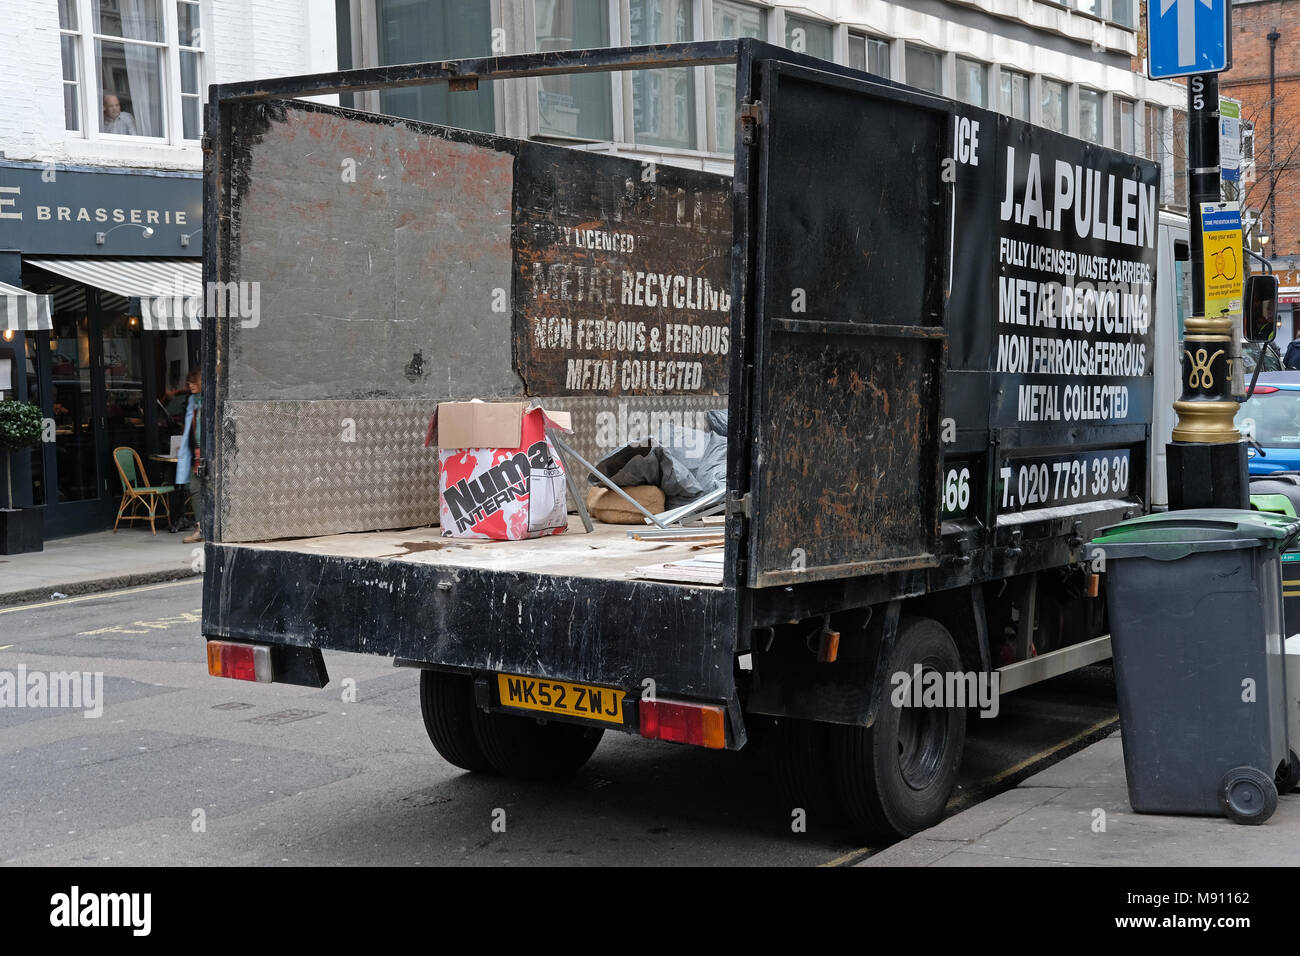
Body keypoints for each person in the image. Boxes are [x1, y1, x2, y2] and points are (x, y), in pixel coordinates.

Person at [172, 369, 203, 542]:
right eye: (188, 382)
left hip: (209, 453)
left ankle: (216, 527)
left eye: (193, 382)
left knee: (211, 490)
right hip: (195, 453)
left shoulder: (208, 400)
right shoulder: (192, 401)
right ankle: (201, 528)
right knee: (195, 489)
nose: (190, 385)